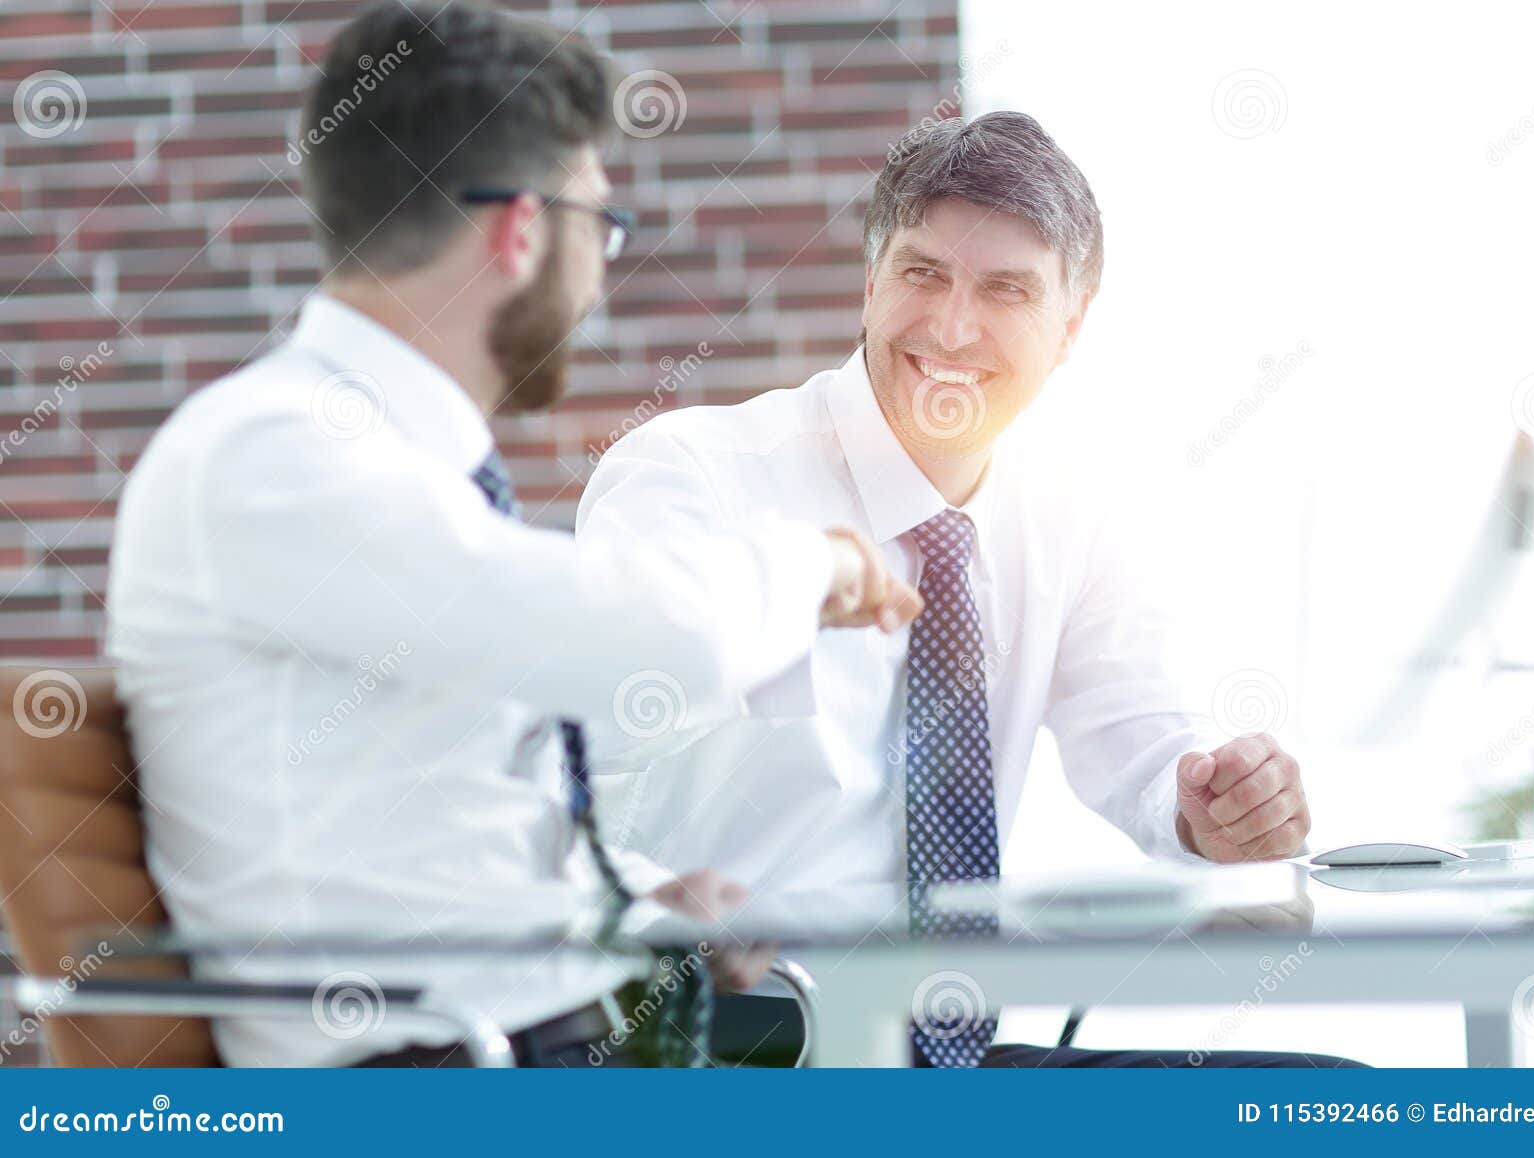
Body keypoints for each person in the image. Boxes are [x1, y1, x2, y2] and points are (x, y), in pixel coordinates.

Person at [105, 0, 917, 1068]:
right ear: (522, 228)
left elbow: (441, 815)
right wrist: (818, 562)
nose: (602, 274)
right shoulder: (269, 455)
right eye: (601, 226)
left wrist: (630, 896)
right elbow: (652, 640)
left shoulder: (384, 467)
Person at [577, 111, 1362, 1068]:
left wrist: (1208, 812)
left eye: (1005, 290)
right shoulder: (695, 475)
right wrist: (657, 904)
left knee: (1333, 1103)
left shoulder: (1075, 510)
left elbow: (1143, 743)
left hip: (946, 1061)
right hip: (719, 1045)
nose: (952, 327)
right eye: (922, 273)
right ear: (870, 284)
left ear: (1070, 328)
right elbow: (565, 772)